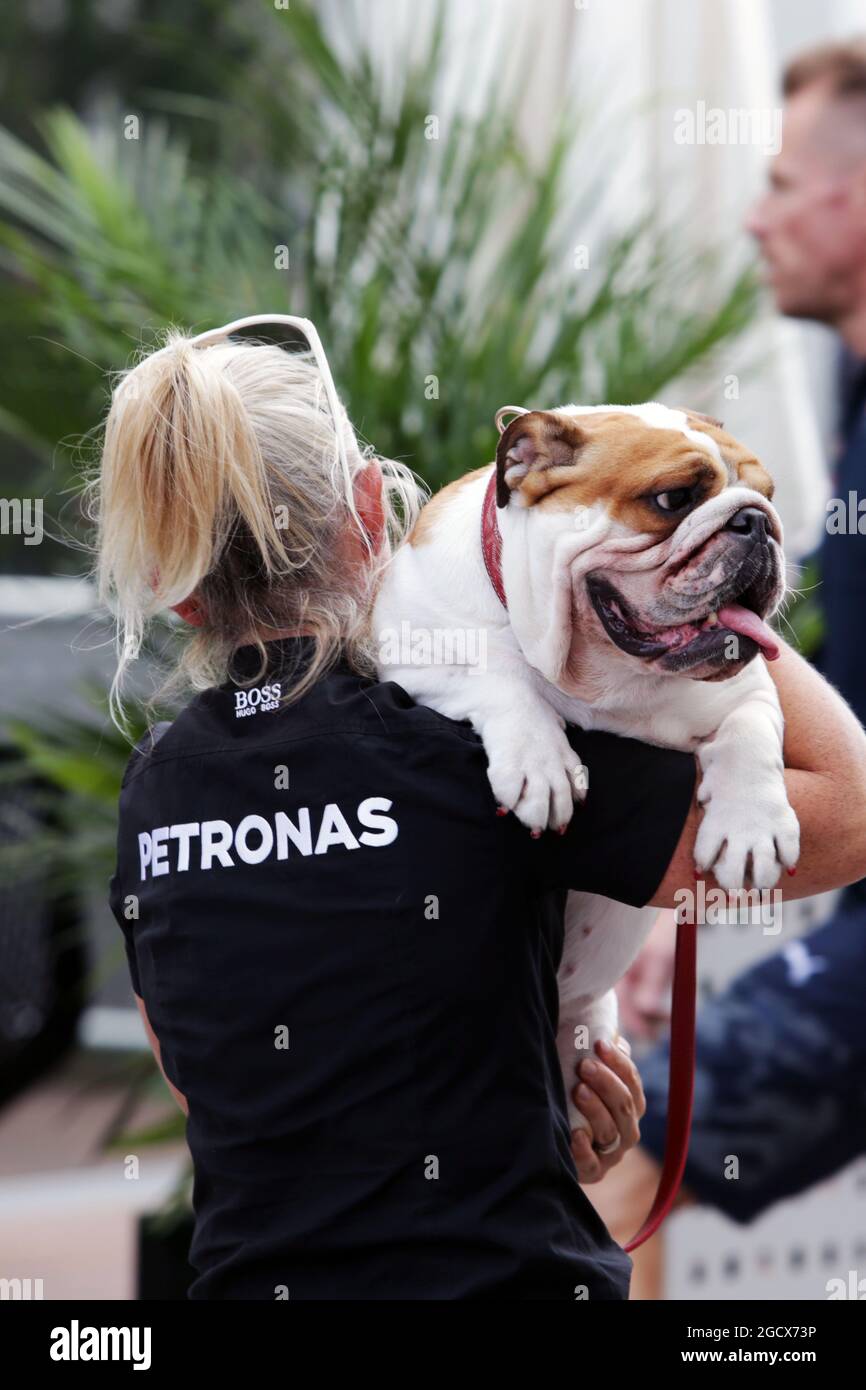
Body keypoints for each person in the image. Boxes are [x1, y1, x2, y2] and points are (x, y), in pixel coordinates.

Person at [101, 316, 866, 1301]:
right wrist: (717, 581)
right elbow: (844, 812)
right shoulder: (485, 754)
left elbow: (221, 1086)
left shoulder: (155, 787)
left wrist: (536, 1094)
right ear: (372, 512)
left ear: (178, 597)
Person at [591, 38, 866, 1299]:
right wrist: (683, 885)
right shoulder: (851, 406)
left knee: (625, 1143)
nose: (752, 218)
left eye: (775, 183)